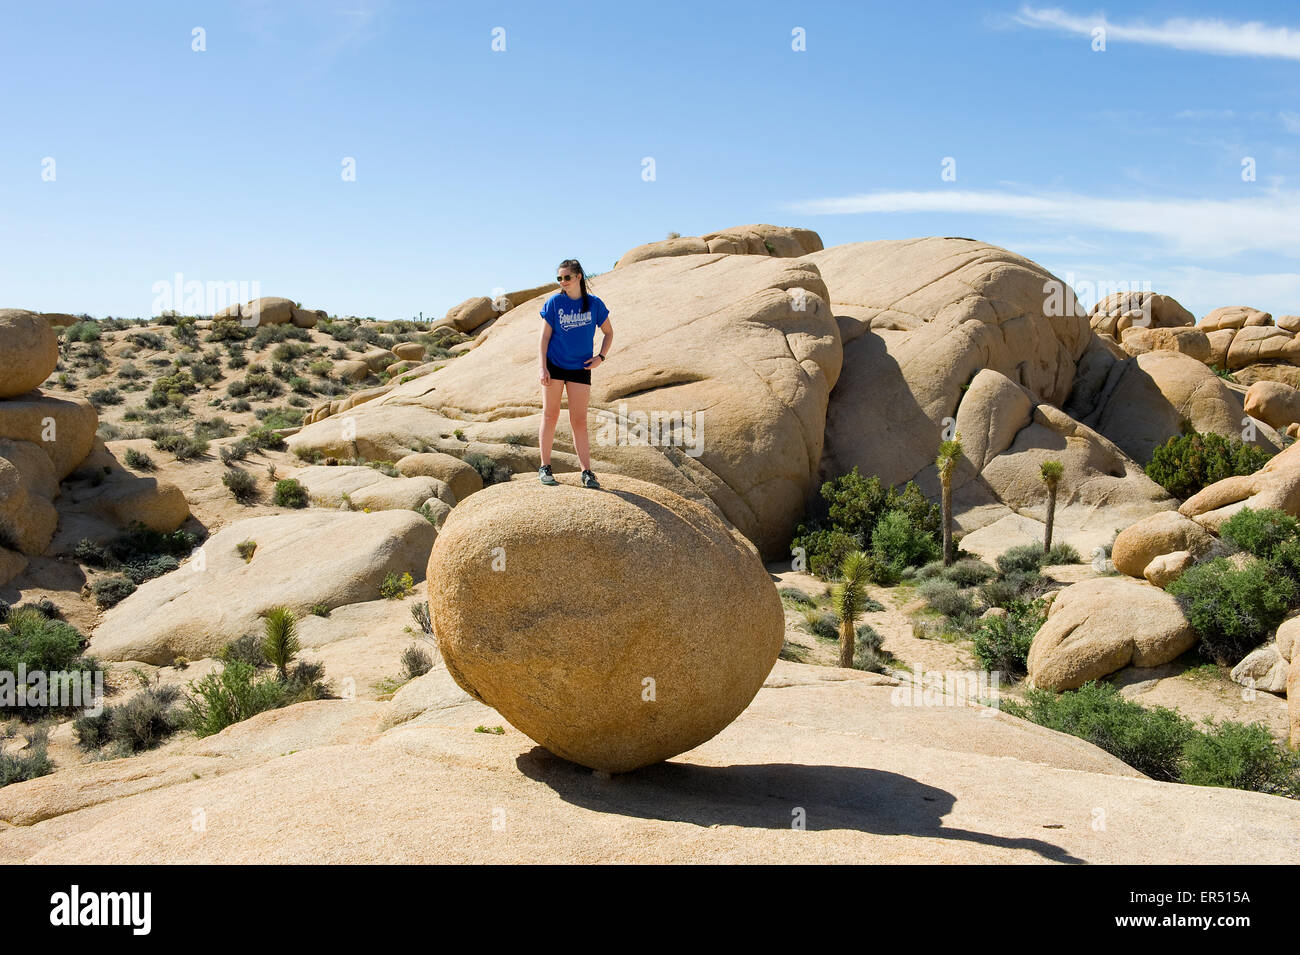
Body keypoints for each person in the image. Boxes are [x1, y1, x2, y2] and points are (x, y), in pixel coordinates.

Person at [538, 258, 613, 488]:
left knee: (579, 420)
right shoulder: (554, 303)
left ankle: (587, 472)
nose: (563, 282)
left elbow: (609, 332)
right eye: (559, 278)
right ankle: (545, 467)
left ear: (579, 277)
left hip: (581, 368)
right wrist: (542, 366)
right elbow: (544, 338)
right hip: (555, 365)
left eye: (567, 277)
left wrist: (600, 357)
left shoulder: (595, 304)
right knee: (550, 416)